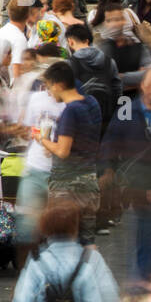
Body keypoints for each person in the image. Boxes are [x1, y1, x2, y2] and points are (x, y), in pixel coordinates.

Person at [35, 61, 103, 246]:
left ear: (58, 85)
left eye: (49, 87)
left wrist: (42, 139)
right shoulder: (92, 103)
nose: (49, 92)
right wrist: (53, 146)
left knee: (62, 242)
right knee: (87, 241)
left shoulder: (70, 112)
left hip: (66, 187)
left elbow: (63, 152)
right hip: (89, 182)